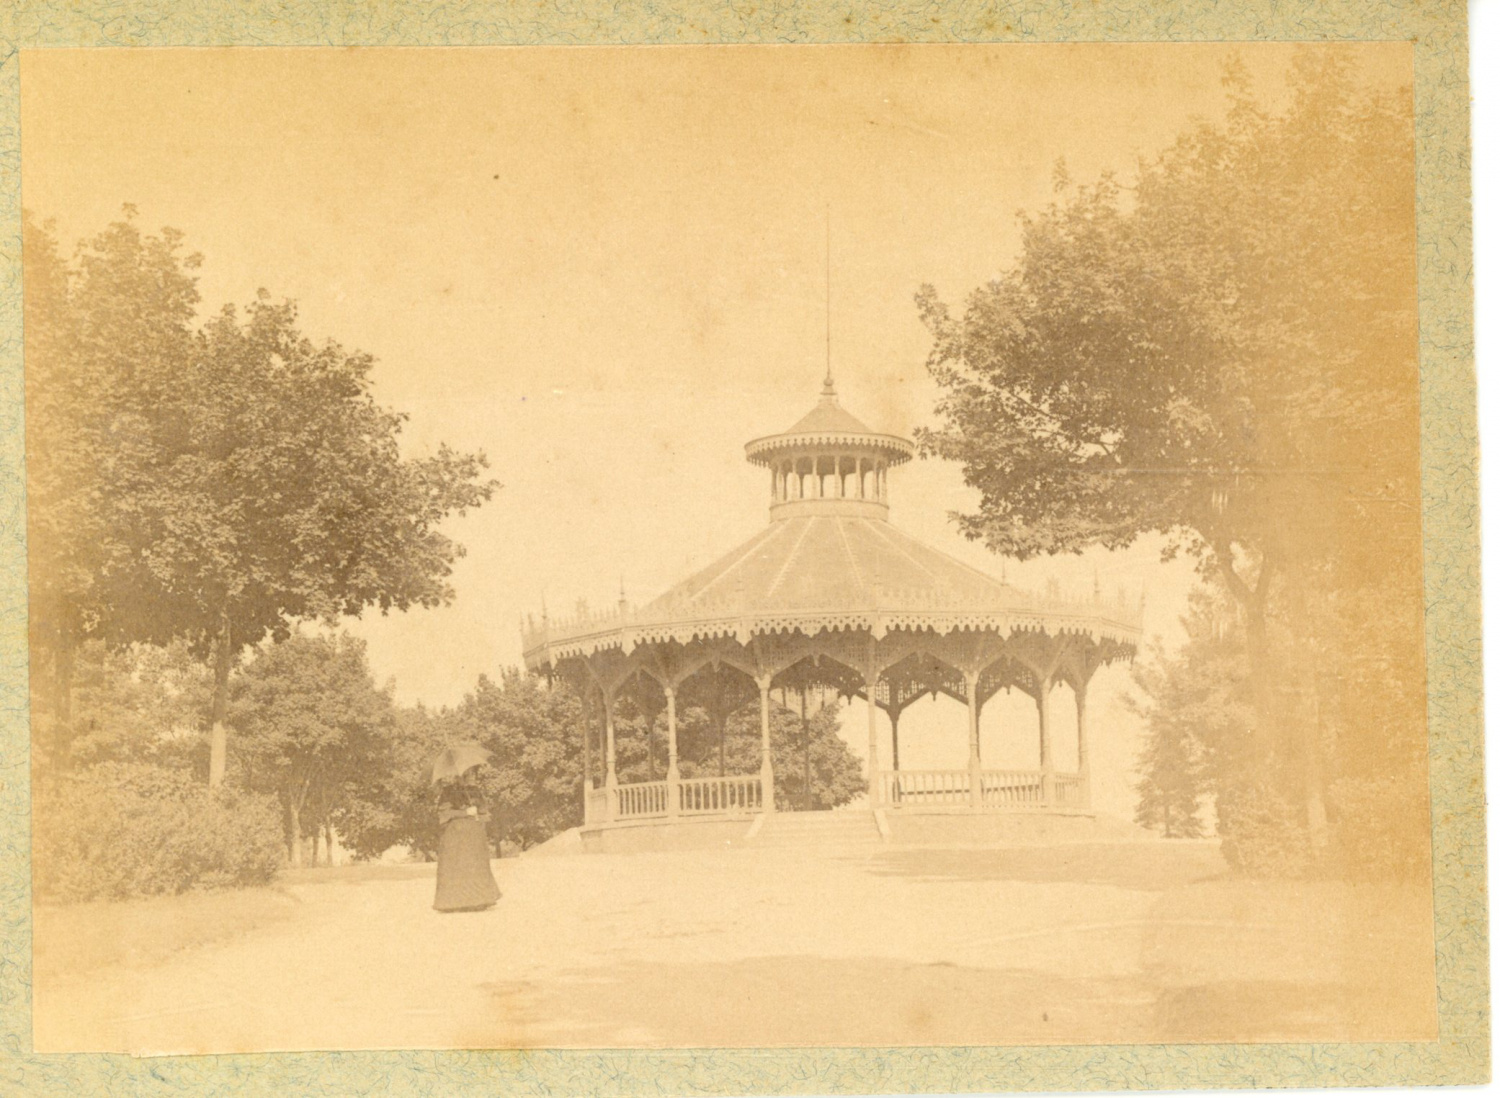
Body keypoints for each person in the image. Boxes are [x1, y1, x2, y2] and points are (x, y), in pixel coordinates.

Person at [432, 768, 501, 913]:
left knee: (476, 866)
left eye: (472, 774)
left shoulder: (475, 791)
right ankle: (452, 903)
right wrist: (465, 812)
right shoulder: (449, 792)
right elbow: (443, 813)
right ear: (459, 776)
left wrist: (480, 815)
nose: (471, 777)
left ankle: (480, 900)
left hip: (475, 835)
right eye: (468, 774)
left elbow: (484, 811)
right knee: (457, 866)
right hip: (456, 837)